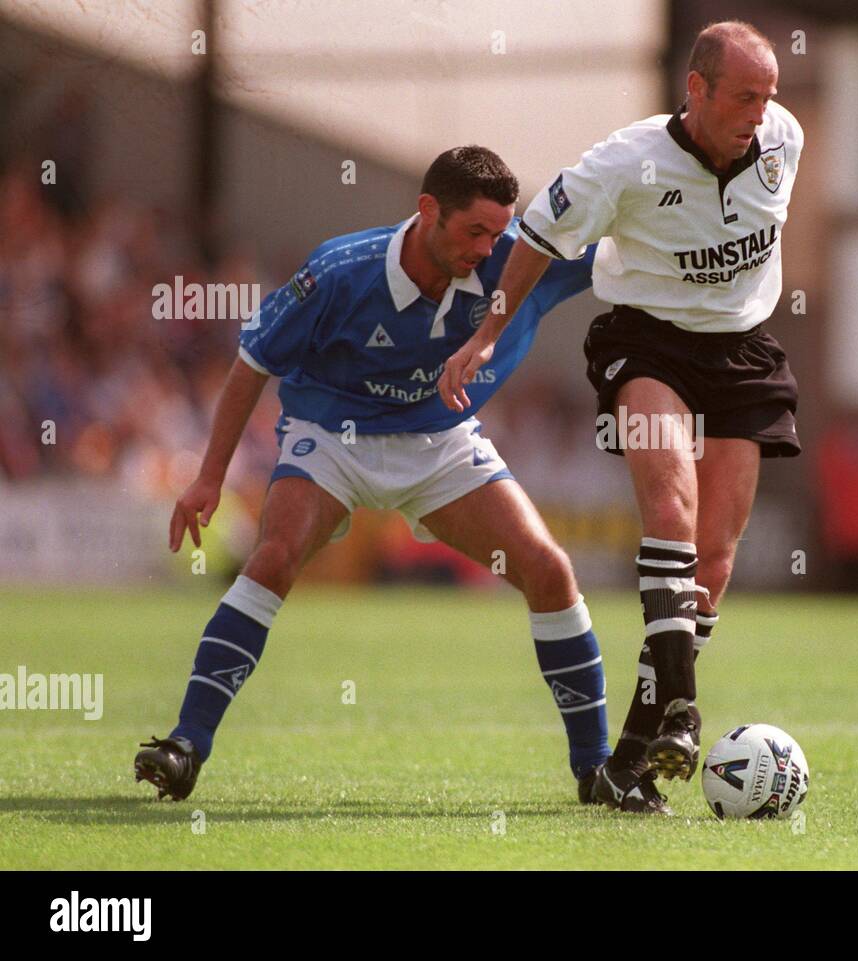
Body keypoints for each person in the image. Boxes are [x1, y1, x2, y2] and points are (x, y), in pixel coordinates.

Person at [135, 146, 613, 805]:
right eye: (474, 230)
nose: (487, 245)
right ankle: (186, 744)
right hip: (332, 440)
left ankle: (597, 768)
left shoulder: (512, 259)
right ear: (426, 212)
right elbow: (252, 363)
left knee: (549, 569)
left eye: (498, 231)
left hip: (439, 444)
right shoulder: (339, 270)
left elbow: (617, 248)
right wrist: (209, 477)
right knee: (272, 558)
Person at [437, 22, 803, 814]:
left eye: (768, 95)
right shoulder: (622, 163)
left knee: (715, 561)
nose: (761, 111)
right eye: (744, 95)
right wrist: (487, 335)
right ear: (695, 89)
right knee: (671, 505)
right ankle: (682, 704)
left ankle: (628, 761)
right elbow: (535, 234)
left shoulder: (784, 138)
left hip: (742, 352)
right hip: (648, 343)